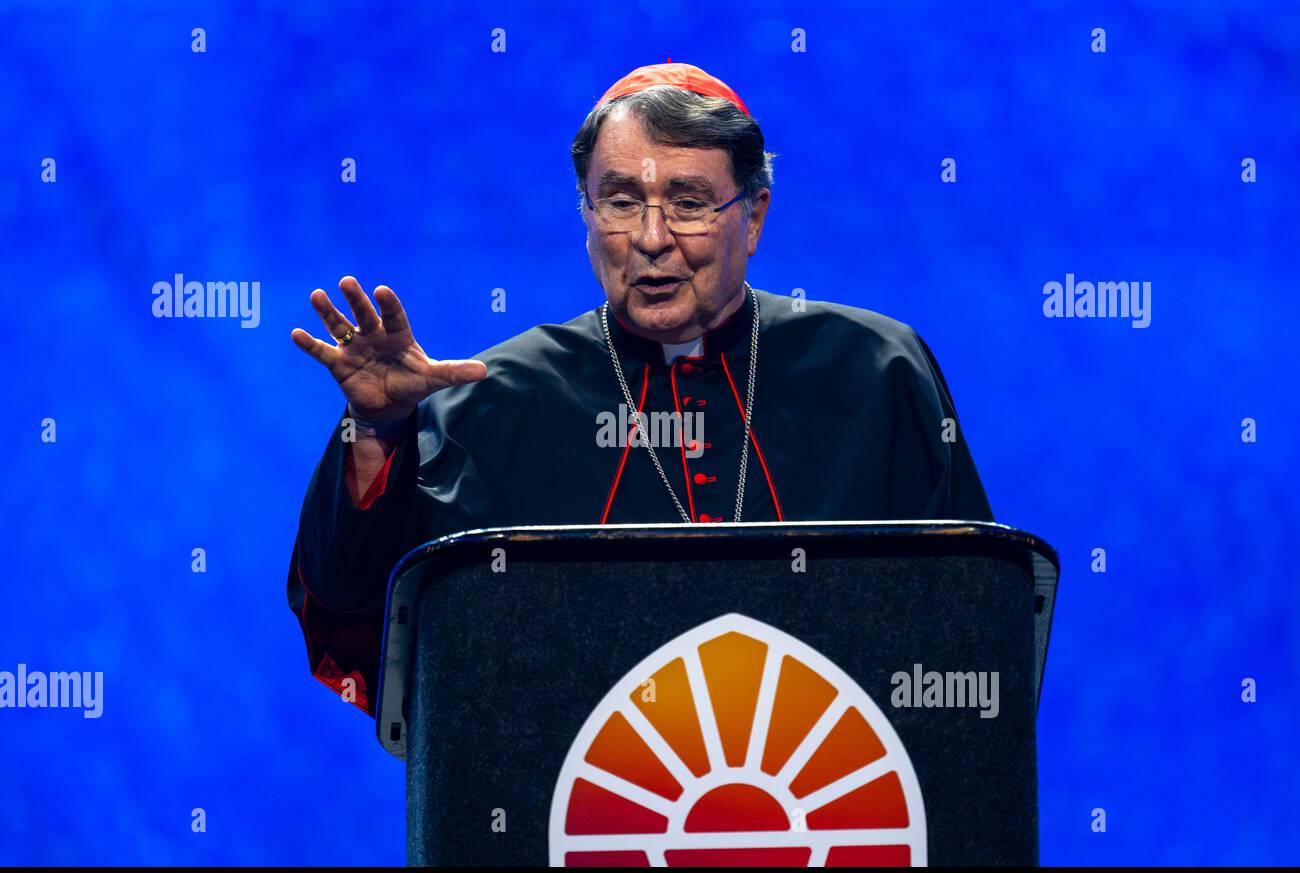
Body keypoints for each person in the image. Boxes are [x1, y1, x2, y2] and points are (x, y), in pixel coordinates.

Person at [286, 62, 994, 717]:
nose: (652, 238)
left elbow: (970, 628)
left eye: (689, 203)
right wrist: (375, 433)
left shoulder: (874, 371)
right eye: (621, 202)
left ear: (755, 217)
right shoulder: (494, 399)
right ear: (586, 218)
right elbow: (364, 614)